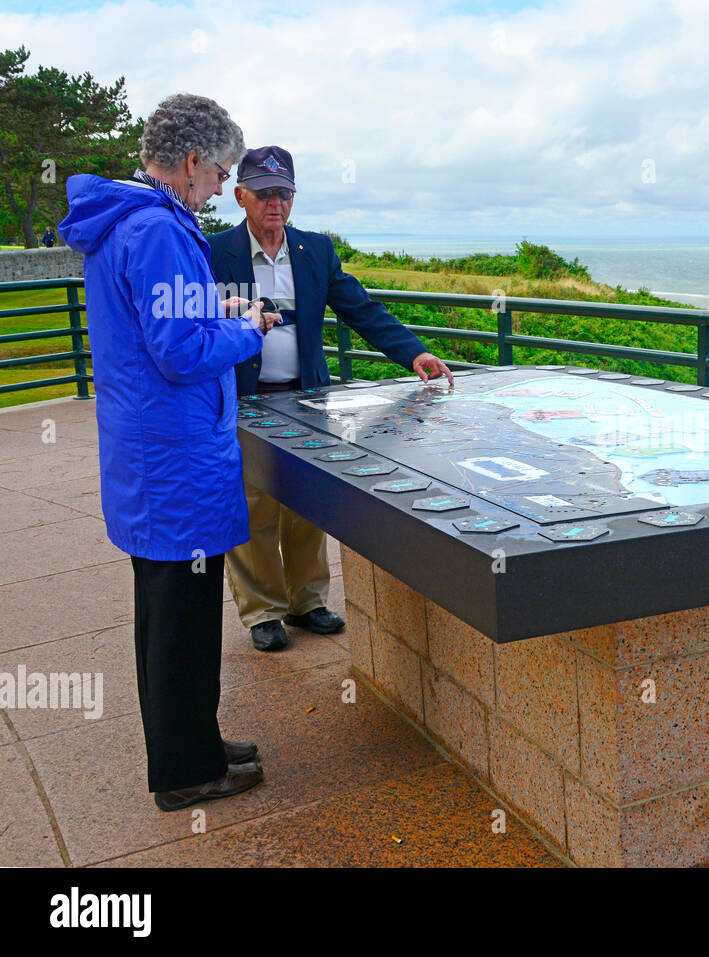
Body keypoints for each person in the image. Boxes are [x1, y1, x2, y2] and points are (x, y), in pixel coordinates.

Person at [59, 94, 278, 811]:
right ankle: (188, 771)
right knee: (181, 624)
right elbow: (181, 353)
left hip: (148, 458)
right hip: (175, 463)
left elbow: (161, 327)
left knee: (166, 617)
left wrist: (214, 311)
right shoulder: (156, 230)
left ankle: (193, 742)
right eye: (218, 174)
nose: (219, 189)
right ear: (190, 163)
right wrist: (247, 328)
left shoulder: (125, 223)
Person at [207, 145, 453, 652]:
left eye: (284, 193)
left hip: (306, 399)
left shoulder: (315, 251)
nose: (275, 202)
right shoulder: (214, 252)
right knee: (252, 506)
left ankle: (307, 601)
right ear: (240, 195)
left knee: (306, 501)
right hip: (244, 399)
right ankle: (264, 612)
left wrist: (414, 354)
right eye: (264, 192)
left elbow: (361, 309)